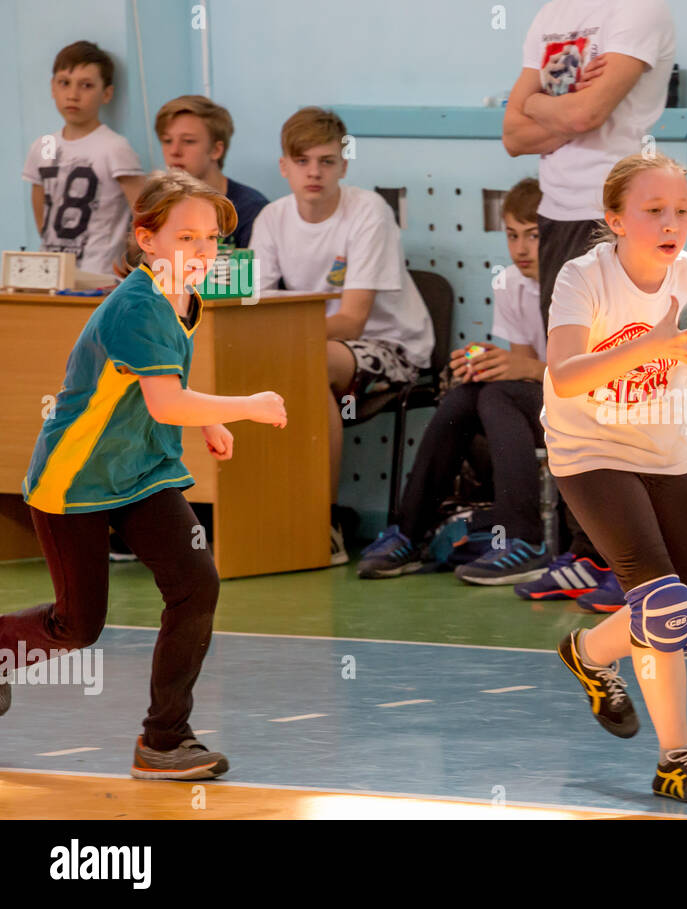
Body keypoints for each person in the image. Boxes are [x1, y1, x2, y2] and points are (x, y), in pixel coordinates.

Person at [0, 170, 288, 778]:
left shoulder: (180, 295)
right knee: (78, 627)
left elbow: (161, 390)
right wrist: (244, 407)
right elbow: (164, 403)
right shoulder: (136, 306)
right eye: (187, 238)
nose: (203, 252)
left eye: (211, 238)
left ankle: (163, 741)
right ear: (148, 239)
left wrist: (202, 421)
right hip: (75, 481)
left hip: (144, 471)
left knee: (196, 585)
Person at [549, 152, 687, 802]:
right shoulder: (582, 276)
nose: (673, 222)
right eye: (654, 210)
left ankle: (589, 651)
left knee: (685, 617)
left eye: (682, 210)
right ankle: (678, 760)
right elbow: (565, 374)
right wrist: (656, 344)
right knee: (662, 602)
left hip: (662, 454)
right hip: (588, 450)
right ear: (614, 218)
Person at [503, 0, 676, 608]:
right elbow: (511, 134)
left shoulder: (640, 11)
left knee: (624, 385)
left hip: (618, 218)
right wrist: (564, 112)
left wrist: (544, 104)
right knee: (570, 388)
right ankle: (583, 551)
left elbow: (588, 109)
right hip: (557, 219)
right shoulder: (551, 15)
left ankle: (632, 562)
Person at [249, 107, 434, 564]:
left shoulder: (368, 211)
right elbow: (256, 309)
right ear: (284, 167)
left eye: (327, 161)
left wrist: (283, 342)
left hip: (393, 347)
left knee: (308, 363)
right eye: (303, 160)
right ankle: (260, 517)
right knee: (253, 364)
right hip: (314, 345)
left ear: (343, 166)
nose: (315, 172)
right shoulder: (272, 218)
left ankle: (324, 521)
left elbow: (352, 320)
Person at [359, 177, 554, 584]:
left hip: (586, 402)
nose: (520, 249)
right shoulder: (511, 283)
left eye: (533, 236)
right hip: (540, 401)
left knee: (496, 393)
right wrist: (487, 363)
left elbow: (587, 375)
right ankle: (410, 534)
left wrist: (522, 370)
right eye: (512, 235)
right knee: (471, 392)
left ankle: (526, 540)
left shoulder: (577, 282)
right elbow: (523, 368)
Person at [23, 40, 145, 277]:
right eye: (64, 83)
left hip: (100, 275)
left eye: (86, 85)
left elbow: (145, 212)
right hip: (50, 274)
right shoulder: (42, 146)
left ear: (106, 93)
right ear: (52, 87)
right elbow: (41, 213)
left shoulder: (114, 147)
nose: (73, 95)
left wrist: (134, 258)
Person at [156, 94, 269, 248]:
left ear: (216, 150)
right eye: (167, 141)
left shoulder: (251, 209)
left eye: (188, 141)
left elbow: (253, 272)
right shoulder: (153, 205)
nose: (174, 151)